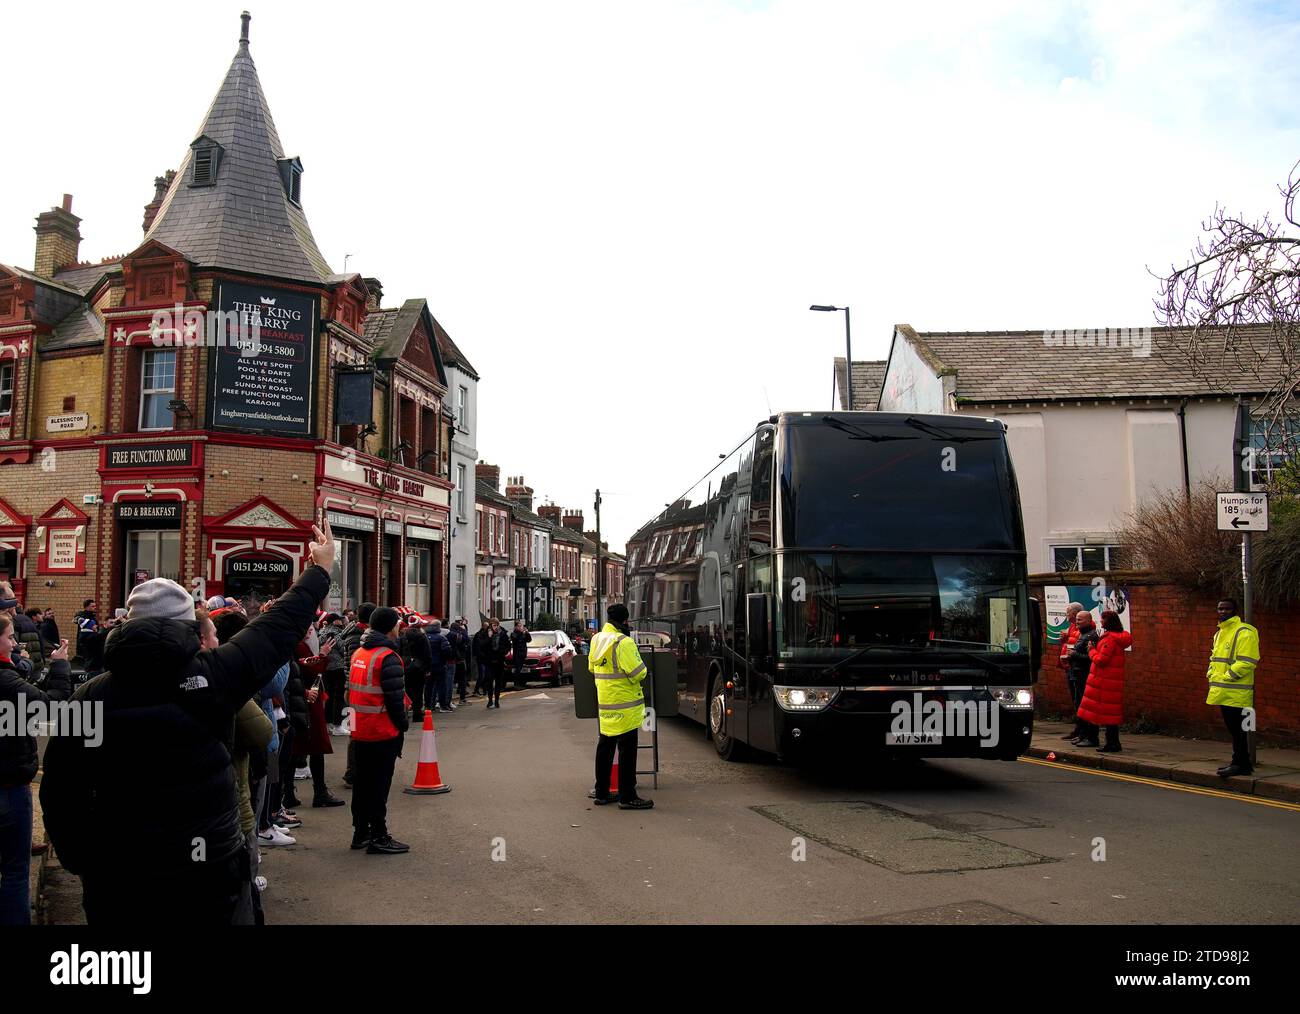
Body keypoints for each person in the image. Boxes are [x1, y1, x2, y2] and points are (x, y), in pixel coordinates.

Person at [39, 519, 336, 925]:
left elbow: (60, 792)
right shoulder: (217, 676)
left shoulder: (87, 698)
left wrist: (86, 861)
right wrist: (319, 571)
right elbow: (276, 629)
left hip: (121, 874)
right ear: (189, 626)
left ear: (127, 624)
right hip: (208, 865)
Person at [0, 618, 71, 925]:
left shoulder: (10, 677)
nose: (15, 643)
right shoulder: (5, 679)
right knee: (15, 872)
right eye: (9, 637)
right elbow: (52, 705)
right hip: (8, 785)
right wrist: (60, 667)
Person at [347, 606, 410, 854]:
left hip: (360, 729)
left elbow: (351, 693)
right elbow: (395, 700)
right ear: (389, 627)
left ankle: (360, 832)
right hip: (381, 731)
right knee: (379, 786)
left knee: (362, 784)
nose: (399, 627)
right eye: (397, 623)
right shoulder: (388, 657)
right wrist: (402, 724)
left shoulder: (359, 654)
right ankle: (379, 835)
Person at [587, 604, 653, 809]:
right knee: (627, 751)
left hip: (606, 703)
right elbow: (639, 672)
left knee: (605, 748)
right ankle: (627, 796)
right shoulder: (624, 642)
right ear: (624, 621)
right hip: (625, 706)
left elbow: (591, 667)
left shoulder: (596, 639)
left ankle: (602, 792)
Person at [1206, 597, 1259, 778]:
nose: (1222, 612)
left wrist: (1227, 676)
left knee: (1239, 731)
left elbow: (1248, 662)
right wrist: (1210, 673)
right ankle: (1241, 763)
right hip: (1224, 691)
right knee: (1235, 731)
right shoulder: (1220, 633)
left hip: (1238, 692)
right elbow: (1215, 658)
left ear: (1235, 611)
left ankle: (1240, 764)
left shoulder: (1244, 631)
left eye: (1227, 609)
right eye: (1220, 609)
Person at [1073, 610, 1132, 752]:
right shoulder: (1117, 637)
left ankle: (1110, 743)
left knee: (1105, 714)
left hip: (1104, 681)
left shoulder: (1109, 639)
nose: (1101, 622)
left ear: (1109, 622)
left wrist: (1091, 650)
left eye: (1103, 619)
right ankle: (1111, 742)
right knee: (1110, 714)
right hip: (1111, 681)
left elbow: (1101, 660)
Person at [1063, 611, 1099, 740]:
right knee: (1079, 704)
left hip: (1084, 674)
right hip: (1077, 673)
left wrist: (1074, 655)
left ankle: (1088, 735)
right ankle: (1082, 734)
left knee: (1085, 706)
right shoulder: (1083, 634)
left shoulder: (1090, 636)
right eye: (1077, 619)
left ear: (1089, 621)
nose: (1077, 622)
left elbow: (1090, 658)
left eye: (1080, 620)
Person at [399, 614, 432, 722]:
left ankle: (405, 713)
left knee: (407, 689)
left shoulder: (403, 636)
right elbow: (427, 653)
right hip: (419, 666)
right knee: (418, 690)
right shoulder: (422, 636)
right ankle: (417, 714)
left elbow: (398, 651)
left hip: (406, 665)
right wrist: (428, 668)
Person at [423, 619, 454, 712]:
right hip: (440, 665)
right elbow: (447, 652)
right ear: (438, 627)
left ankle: (428, 706)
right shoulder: (441, 638)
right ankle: (443, 706)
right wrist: (444, 660)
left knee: (428, 686)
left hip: (428, 666)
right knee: (441, 686)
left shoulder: (424, 637)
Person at [483, 618, 510, 709]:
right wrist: (489, 637)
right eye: (492, 625)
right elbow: (482, 645)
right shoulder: (486, 633)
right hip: (489, 661)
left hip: (499, 661)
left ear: (498, 625)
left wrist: (504, 652)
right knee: (489, 681)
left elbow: (508, 646)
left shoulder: (503, 634)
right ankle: (490, 700)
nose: (494, 627)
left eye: (496, 625)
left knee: (498, 682)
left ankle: (497, 700)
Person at [472, 621, 492, 697]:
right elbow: (479, 646)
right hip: (481, 658)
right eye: (486, 626)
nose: (487, 628)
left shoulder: (487, 634)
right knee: (482, 674)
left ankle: (484, 690)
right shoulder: (479, 635)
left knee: (486, 675)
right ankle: (476, 690)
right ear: (483, 626)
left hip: (486, 657)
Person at [510, 620, 532, 690]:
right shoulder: (514, 634)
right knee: (517, 669)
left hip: (523, 653)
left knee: (520, 669)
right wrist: (521, 632)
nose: (521, 627)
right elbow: (515, 639)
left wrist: (527, 633)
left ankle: (520, 684)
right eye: (519, 626)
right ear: (516, 627)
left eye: (521, 626)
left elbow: (529, 640)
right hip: (517, 654)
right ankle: (516, 684)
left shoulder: (523, 634)